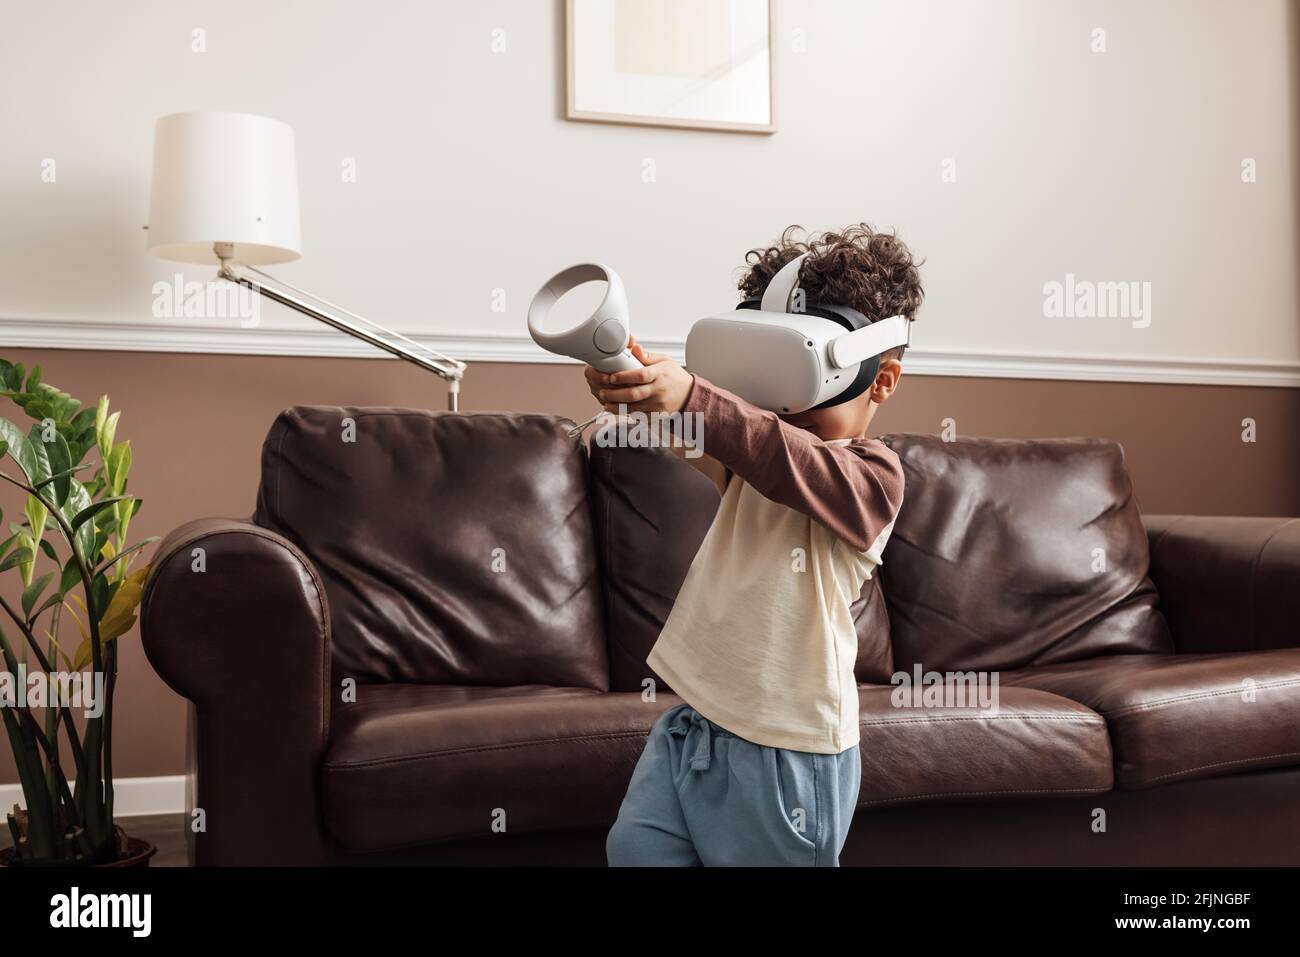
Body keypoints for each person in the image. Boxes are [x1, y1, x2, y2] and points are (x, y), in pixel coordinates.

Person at [596, 224, 924, 866]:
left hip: (790, 746)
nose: (783, 409)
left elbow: (778, 455)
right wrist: (635, 385)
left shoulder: (869, 478)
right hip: (697, 725)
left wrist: (698, 395)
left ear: (880, 381)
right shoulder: (750, 457)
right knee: (634, 852)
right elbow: (709, 433)